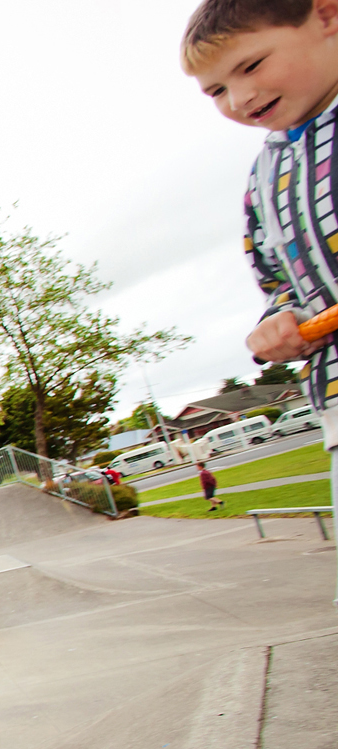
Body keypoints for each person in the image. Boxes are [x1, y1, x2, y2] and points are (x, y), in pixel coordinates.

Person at [183, 0, 338, 598]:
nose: (239, 98)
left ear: (326, 17)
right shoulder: (262, 179)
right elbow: (277, 280)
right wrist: (281, 322)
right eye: (217, 89)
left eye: (252, 66)